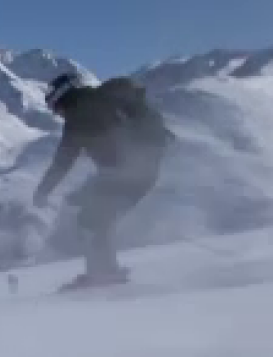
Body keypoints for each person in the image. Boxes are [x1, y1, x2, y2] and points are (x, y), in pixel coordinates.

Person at [33, 72, 174, 288]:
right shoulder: (101, 100)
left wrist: (44, 190)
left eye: (55, 107)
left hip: (126, 172)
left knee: (91, 219)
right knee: (95, 215)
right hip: (140, 169)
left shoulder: (78, 115)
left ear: (62, 97)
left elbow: (63, 161)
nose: (57, 113)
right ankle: (105, 271)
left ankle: (103, 275)